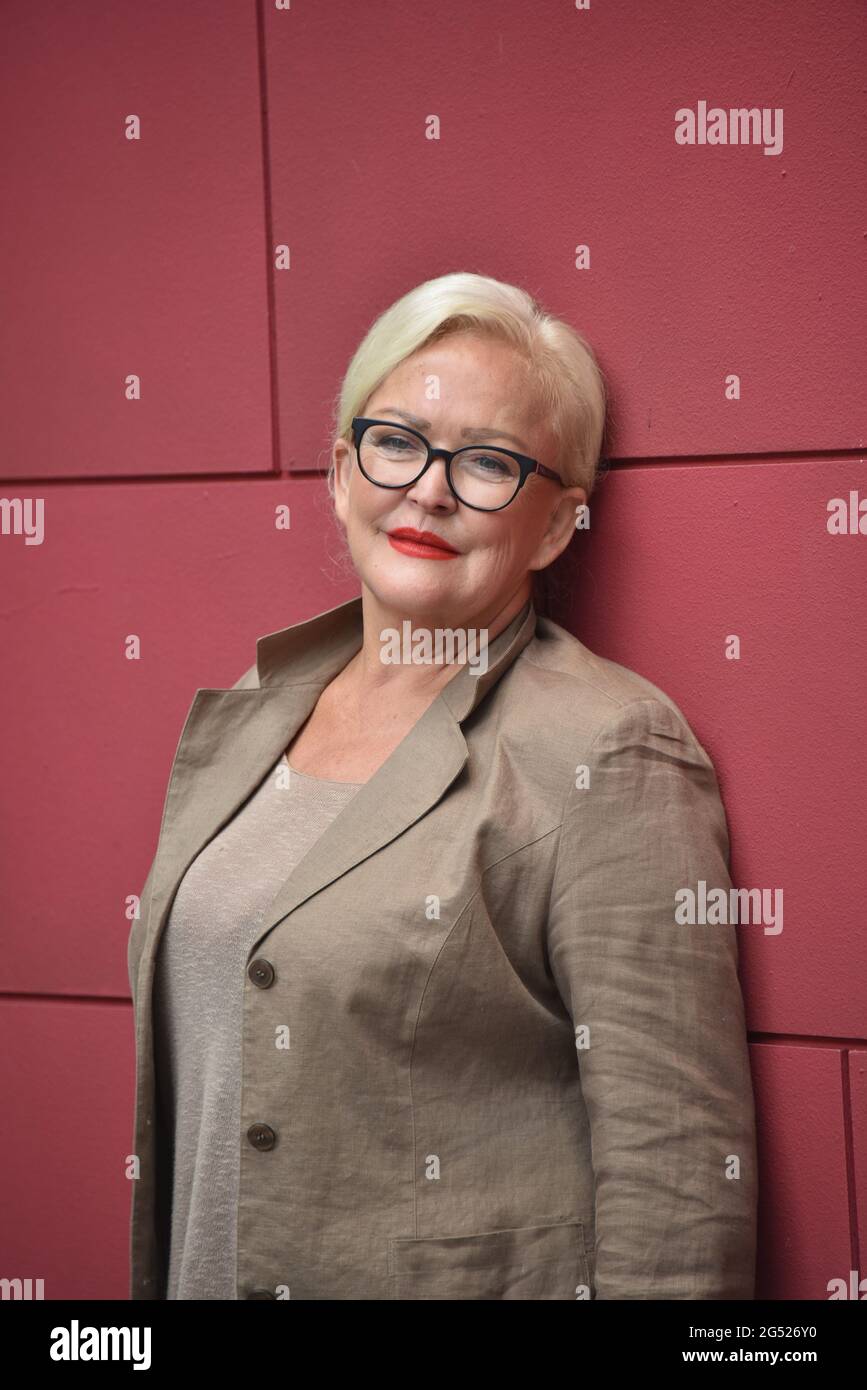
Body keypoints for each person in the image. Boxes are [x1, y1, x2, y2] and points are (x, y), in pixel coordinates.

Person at [127, 271, 758, 1300]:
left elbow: (680, 1189)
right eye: (395, 442)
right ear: (340, 471)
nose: (428, 489)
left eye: (489, 462)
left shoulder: (607, 749)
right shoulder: (248, 709)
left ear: (556, 527)